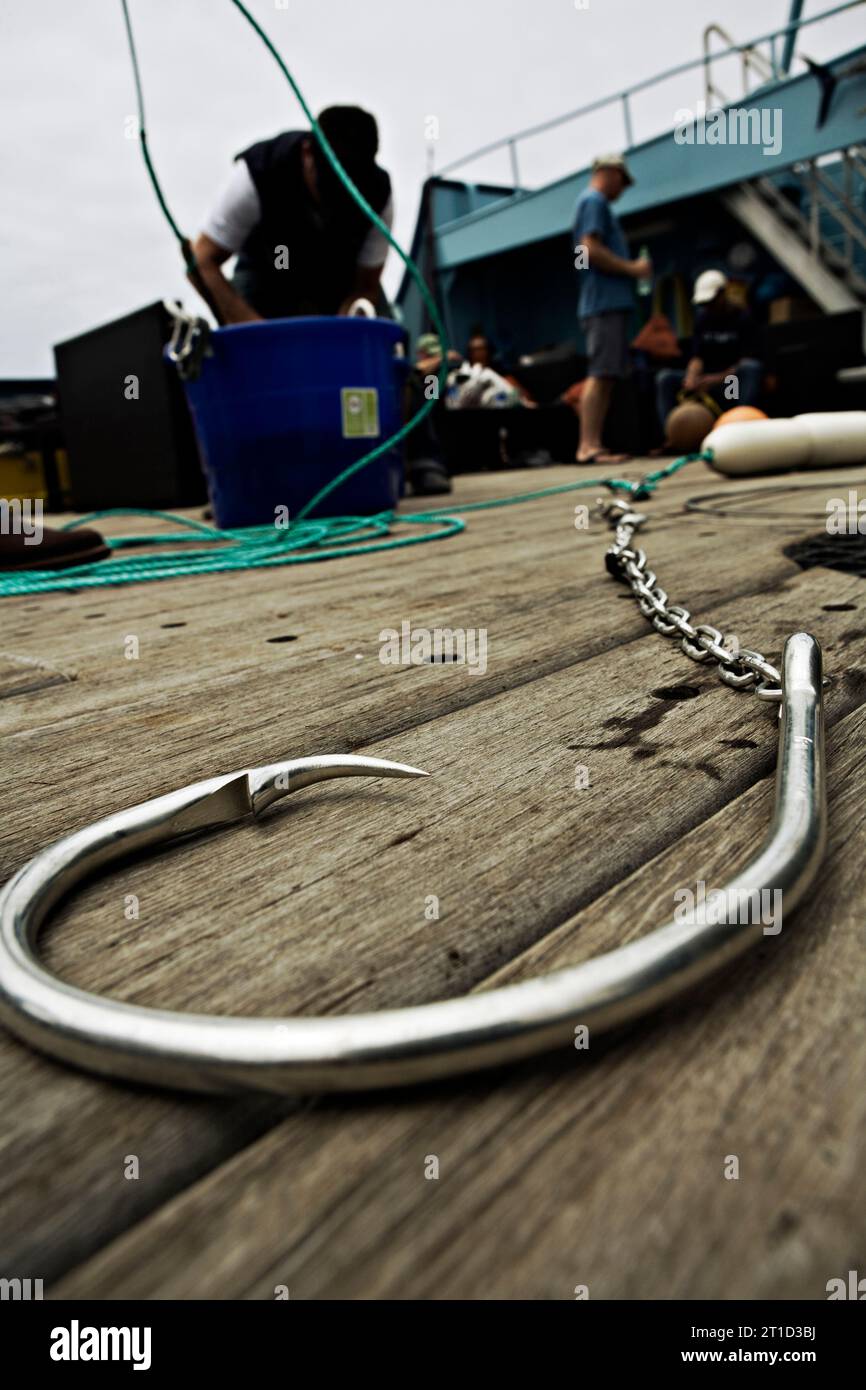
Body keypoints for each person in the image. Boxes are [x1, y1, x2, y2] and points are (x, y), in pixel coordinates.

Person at [190, 106, 394, 323]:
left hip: (336, 278)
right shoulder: (260, 173)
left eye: (346, 196)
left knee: (385, 330)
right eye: (328, 187)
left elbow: (366, 286)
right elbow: (201, 260)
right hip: (274, 265)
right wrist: (256, 332)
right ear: (307, 155)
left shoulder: (378, 194)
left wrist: (344, 331)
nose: (334, 203)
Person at [572, 153, 651, 464]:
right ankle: (587, 446)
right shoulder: (593, 202)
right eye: (623, 180)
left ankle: (593, 444)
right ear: (611, 173)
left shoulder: (594, 204)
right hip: (603, 303)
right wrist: (632, 269)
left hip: (607, 303)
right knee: (600, 374)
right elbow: (588, 249)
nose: (623, 189)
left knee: (607, 375)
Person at [656, 270, 763, 427]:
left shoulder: (743, 318)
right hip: (704, 381)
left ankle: (741, 424)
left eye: (711, 302)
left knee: (750, 369)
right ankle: (670, 434)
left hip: (729, 383)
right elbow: (697, 356)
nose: (708, 307)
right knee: (665, 378)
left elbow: (745, 362)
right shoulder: (702, 320)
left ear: (722, 294)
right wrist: (692, 377)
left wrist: (714, 380)